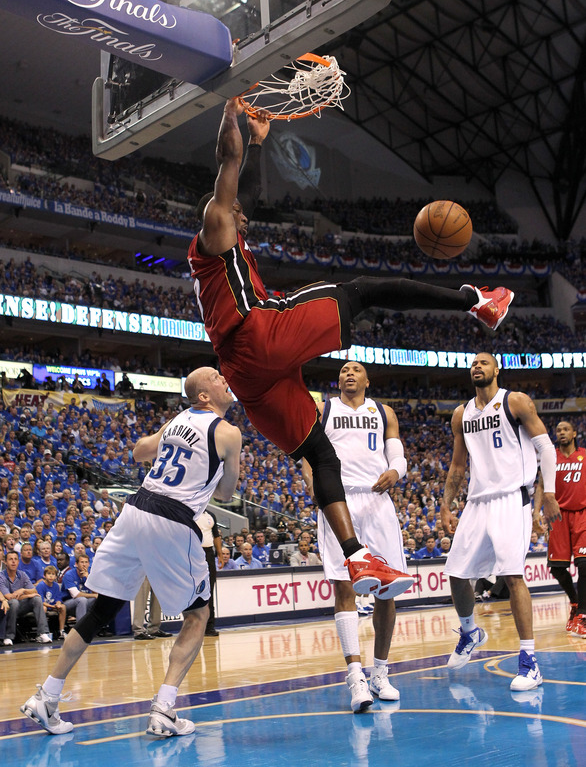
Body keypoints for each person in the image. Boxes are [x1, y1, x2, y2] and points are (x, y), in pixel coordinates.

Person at [188, 99, 514, 599]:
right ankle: (475, 303)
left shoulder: (231, 237)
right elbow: (227, 170)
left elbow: (244, 187)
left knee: (320, 452)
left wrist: (257, 141)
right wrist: (230, 118)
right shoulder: (215, 231)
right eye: (235, 210)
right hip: (258, 332)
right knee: (361, 292)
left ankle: (357, 557)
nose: (242, 212)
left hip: (246, 374)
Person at [21, 367, 241, 737]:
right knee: (198, 616)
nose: (225, 380)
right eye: (217, 378)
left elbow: (139, 451)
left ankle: (47, 696)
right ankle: (164, 709)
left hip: (136, 510)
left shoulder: (176, 420)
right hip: (172, 517)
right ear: (204, 395)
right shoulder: (229, 432)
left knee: (103, 608)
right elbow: (223, 494)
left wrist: (173, 444)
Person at [440, 352, 561, 691]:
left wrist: (548, 493)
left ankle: (529, 661)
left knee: (512, 575)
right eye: (473, 364)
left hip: (512, 496)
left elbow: (546, 448)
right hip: (477, 501)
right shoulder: (461, 414)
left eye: (484, 363)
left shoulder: (516, 402)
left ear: (496, 370)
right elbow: (458, 466)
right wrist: (446, 506)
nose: (477, 367)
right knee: (456, 572)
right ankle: (470, 632)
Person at [302, 361, 411, 713]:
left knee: (387, 587)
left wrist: (396, 470)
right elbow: (306, 452)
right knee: (344, 586)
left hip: (377, 500)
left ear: (367, 379)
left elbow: (397, 454)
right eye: (344, 369)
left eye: (356, 369)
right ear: (339, 380)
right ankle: (355, 677)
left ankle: (380, 671)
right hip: (339, 499)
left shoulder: (384, 411)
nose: (349, 372)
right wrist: (312, 486)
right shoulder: (324, 408)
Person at [534, 419, 586, 637]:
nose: (562, 433)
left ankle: (583, 615)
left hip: (582, 514)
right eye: (558, 430)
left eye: (566, 429)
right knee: (556, 567)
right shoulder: (550, 457)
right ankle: (575, 603)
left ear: (574, 433)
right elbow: (541, 485)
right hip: (557, 516)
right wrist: (535, 512)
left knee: (584, 564)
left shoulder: (584, 455)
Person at [0, 551, 52, 645]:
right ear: (5, 562)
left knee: (37, 599)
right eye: (10, 559)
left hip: (21, 606)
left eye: (16, 559)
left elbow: (34, 591)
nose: (13, 562)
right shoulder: (1, 576)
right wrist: (28, 595)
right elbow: (9, 597)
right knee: (14, 602)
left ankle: (42, 633)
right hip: (8, 607)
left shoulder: (22, 574)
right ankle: (8, 636)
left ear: (18, 562)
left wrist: (23, 590)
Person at [195, 508, 223, 636]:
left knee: (210, 589)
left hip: (209, 553)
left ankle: (210, 626)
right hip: (193, 553)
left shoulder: (210, 515)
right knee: (194, 591)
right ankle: (194, 626)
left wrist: (220, 555)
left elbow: (216, 535)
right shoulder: (190, 514)